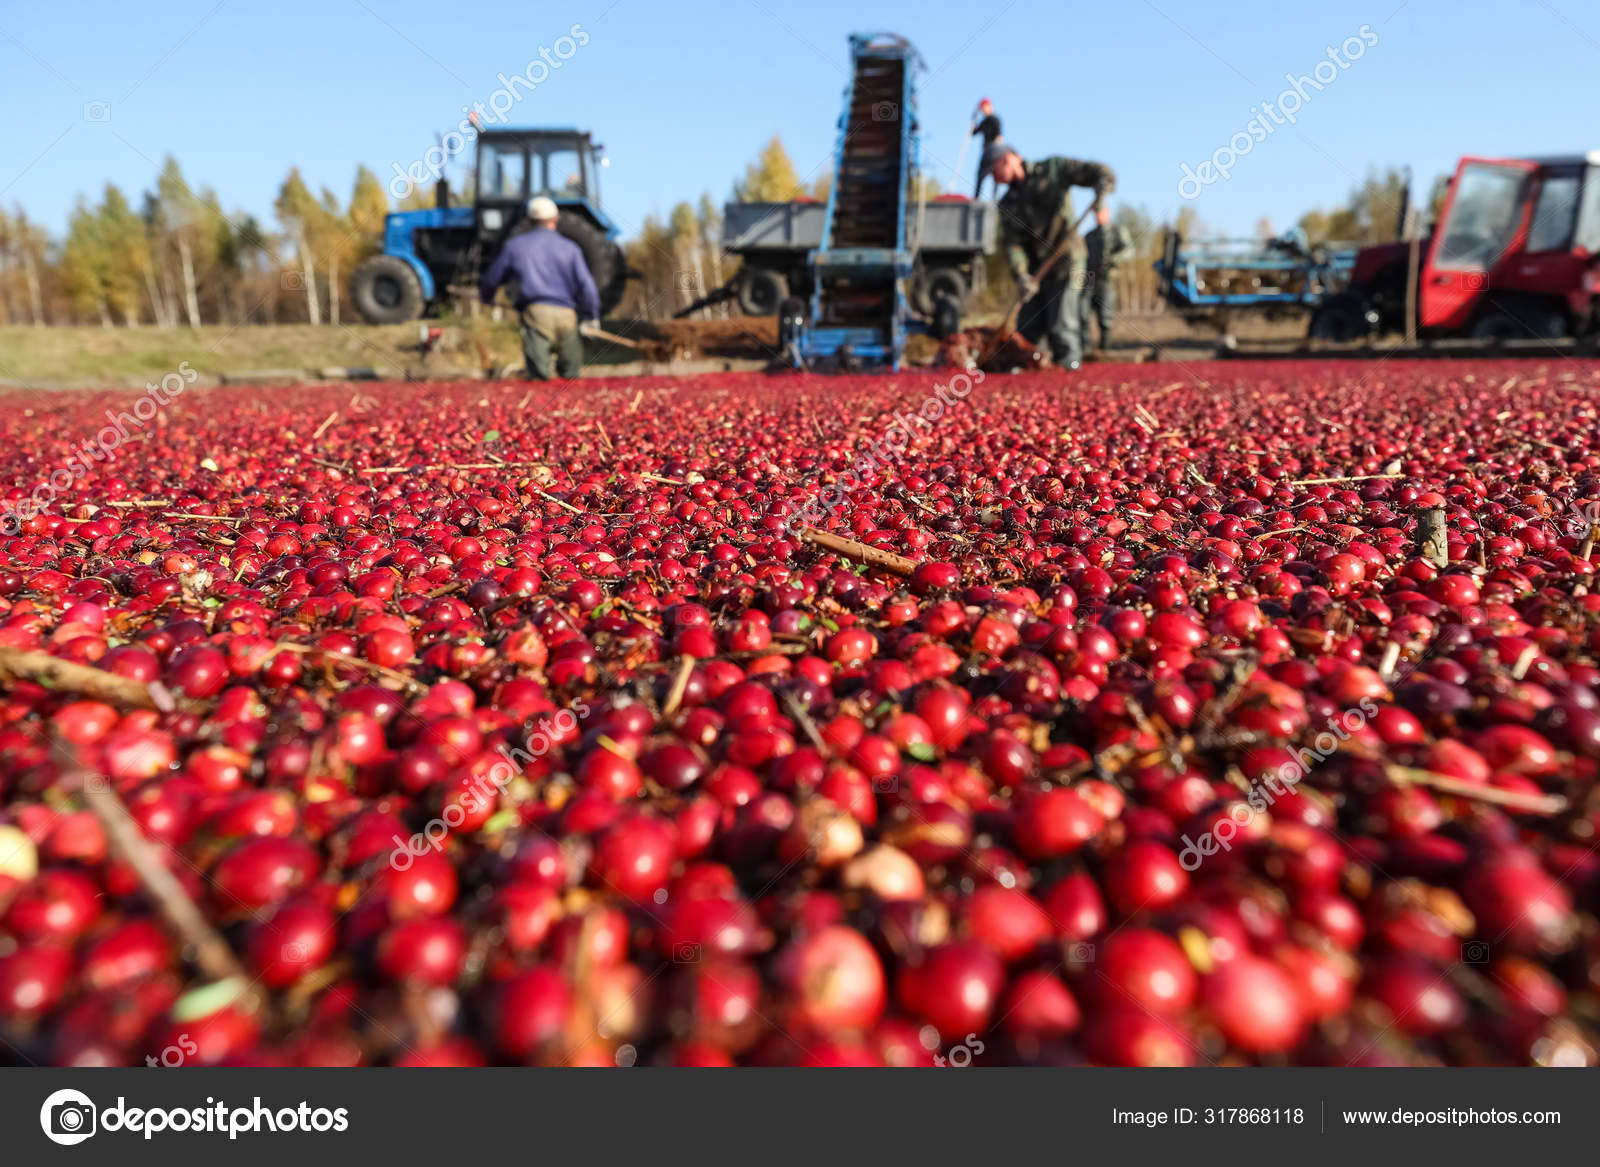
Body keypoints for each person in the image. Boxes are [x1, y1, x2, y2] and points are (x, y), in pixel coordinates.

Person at [981, 141, 1115, 370]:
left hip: (1067, 260)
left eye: (994, 172)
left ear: (1007, 159)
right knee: (1027, 330)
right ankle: (1031, 383)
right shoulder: (1007, 204)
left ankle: (1070, 375)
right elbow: (1014, 246)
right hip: (1036, 273)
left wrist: (1101, 190)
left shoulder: (1053, 169)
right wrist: (1022, 276)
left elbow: (1100, 172)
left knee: (1062, 325)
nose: (994, 178)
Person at [479, 196, 601, 381]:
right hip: (567, 317)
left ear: (530, 220)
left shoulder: (515, 246)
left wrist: (486, 297)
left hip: (536, 316)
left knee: (539, 378)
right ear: (555, 219)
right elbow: (587, 286)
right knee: (571, 378)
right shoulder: (571, 249)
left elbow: (493, 279)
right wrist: (591, 316)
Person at [1081, 218, 1133, 352]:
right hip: (1088, 278)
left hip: (1106, 278)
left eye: (1101, 210)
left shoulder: (1117, 231)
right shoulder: (1089, 235)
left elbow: (1129, 250)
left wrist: (1113, 258)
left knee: (1105, 316)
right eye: (1096, 211)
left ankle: (1105, 348)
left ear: (1107, 212)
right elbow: (1081, 256)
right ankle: (1085, 349)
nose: (1098, 214)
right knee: (1082, 313)